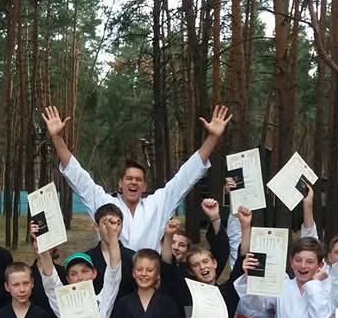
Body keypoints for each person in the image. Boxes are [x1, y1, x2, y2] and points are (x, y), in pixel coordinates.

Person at [42, 103, 233, 251]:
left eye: (139, 180)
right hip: (114, 281)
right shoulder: (103, 203)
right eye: (129, 178)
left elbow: (186, 176)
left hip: (150, 277)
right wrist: (57, 138)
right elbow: (78, 177)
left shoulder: (158, 204)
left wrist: (213, 138)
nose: (134, 182)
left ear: (144, 186)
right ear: (120, 183)